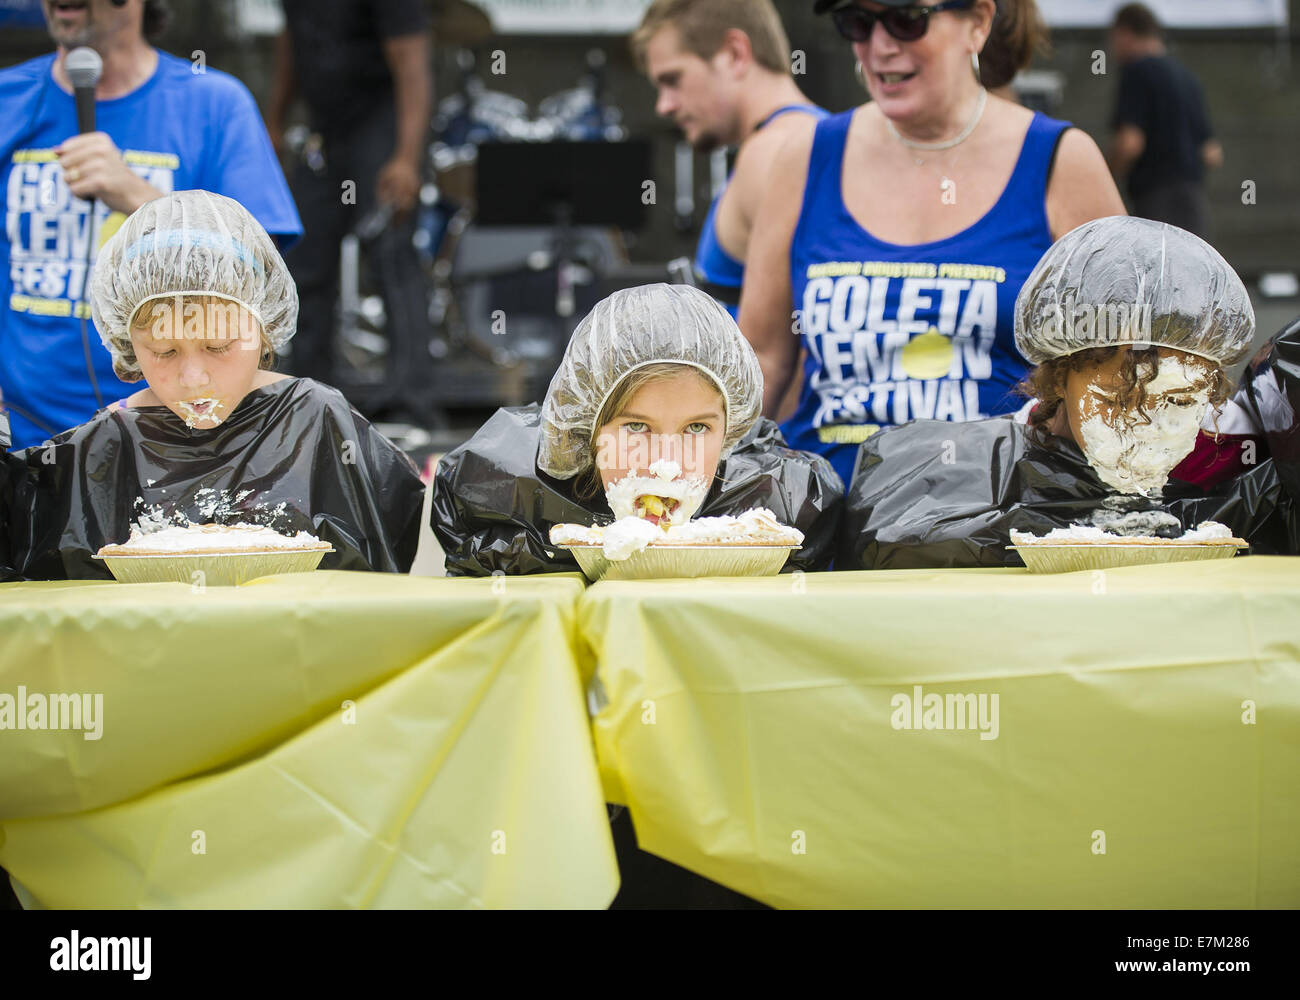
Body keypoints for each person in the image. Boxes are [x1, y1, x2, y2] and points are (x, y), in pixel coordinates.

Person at [739, 0, 1125, 490]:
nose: (880, 45)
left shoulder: (1060, 161)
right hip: (826, 521)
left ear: (978, 23)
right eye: (857, 21)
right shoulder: (807, 155)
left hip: (996, 522)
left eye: (906, 19)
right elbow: (762, 357)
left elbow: (1122, 362)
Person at [2, 190, 426, 580]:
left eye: (219, 345)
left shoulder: (317, 423)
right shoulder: (102, 450)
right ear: (126, 343)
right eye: (164, 352)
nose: (193, 377)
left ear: (265, 330)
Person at [837, 216, 1299, 570]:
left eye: (1179, 401)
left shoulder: (1243, 454)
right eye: (1117, 400)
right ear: (1057, 377)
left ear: (1211, 393)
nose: (1148, 427)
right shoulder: (954, 469)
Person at [0, 0, 302, 451]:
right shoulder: (8, 97)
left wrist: (136, 196)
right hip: (25, 434)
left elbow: (259, 273)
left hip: (181, 438)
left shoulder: (214, 103)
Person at [431, 283, 844, 576]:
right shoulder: (515, 491)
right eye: (637, 428)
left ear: (730, 431)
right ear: (586, 429)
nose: (667, 462)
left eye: (697, 428)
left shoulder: (773, 501)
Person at [268, 0, 434, 425]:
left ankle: (409, 404)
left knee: (391, 255)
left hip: (382, 125)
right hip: (326, 128)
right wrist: (277, 117)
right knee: (302, 256)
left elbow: (412, 61)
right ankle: (308, 400)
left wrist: (407, 158)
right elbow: (293, 41)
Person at [633, 0, 829, 322]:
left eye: (672, 80)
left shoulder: (772, 153)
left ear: (735, 53)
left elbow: (784, 353)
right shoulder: (816, 139)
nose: (663, 106)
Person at [1107, 3, 1221, 238]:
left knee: (1156, 270)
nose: (1113, 47)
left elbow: (1130, 144)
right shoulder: (1188, 78)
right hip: (1193, 202)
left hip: (1156, 201)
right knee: (1189, 271)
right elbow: (1212, 154)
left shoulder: (1136, 71)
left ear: (1124, 33)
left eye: (1114, 38)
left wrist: (1103, 176)